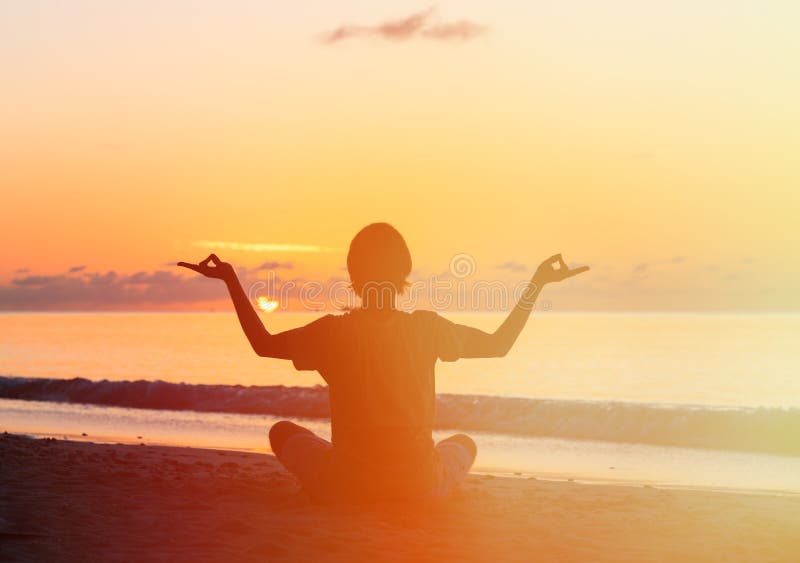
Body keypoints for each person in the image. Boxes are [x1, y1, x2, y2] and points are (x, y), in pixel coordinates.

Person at [178, 223, 588, 502]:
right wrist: (536, 283)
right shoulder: (426, 328)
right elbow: (500, 344)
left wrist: (231, 281)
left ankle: (325, 482)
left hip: (346, 486)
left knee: (282, 432)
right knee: (463, 444)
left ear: (353, 274)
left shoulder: (334, 332)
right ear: (405, 272)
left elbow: (263, 344)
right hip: (418, 485)